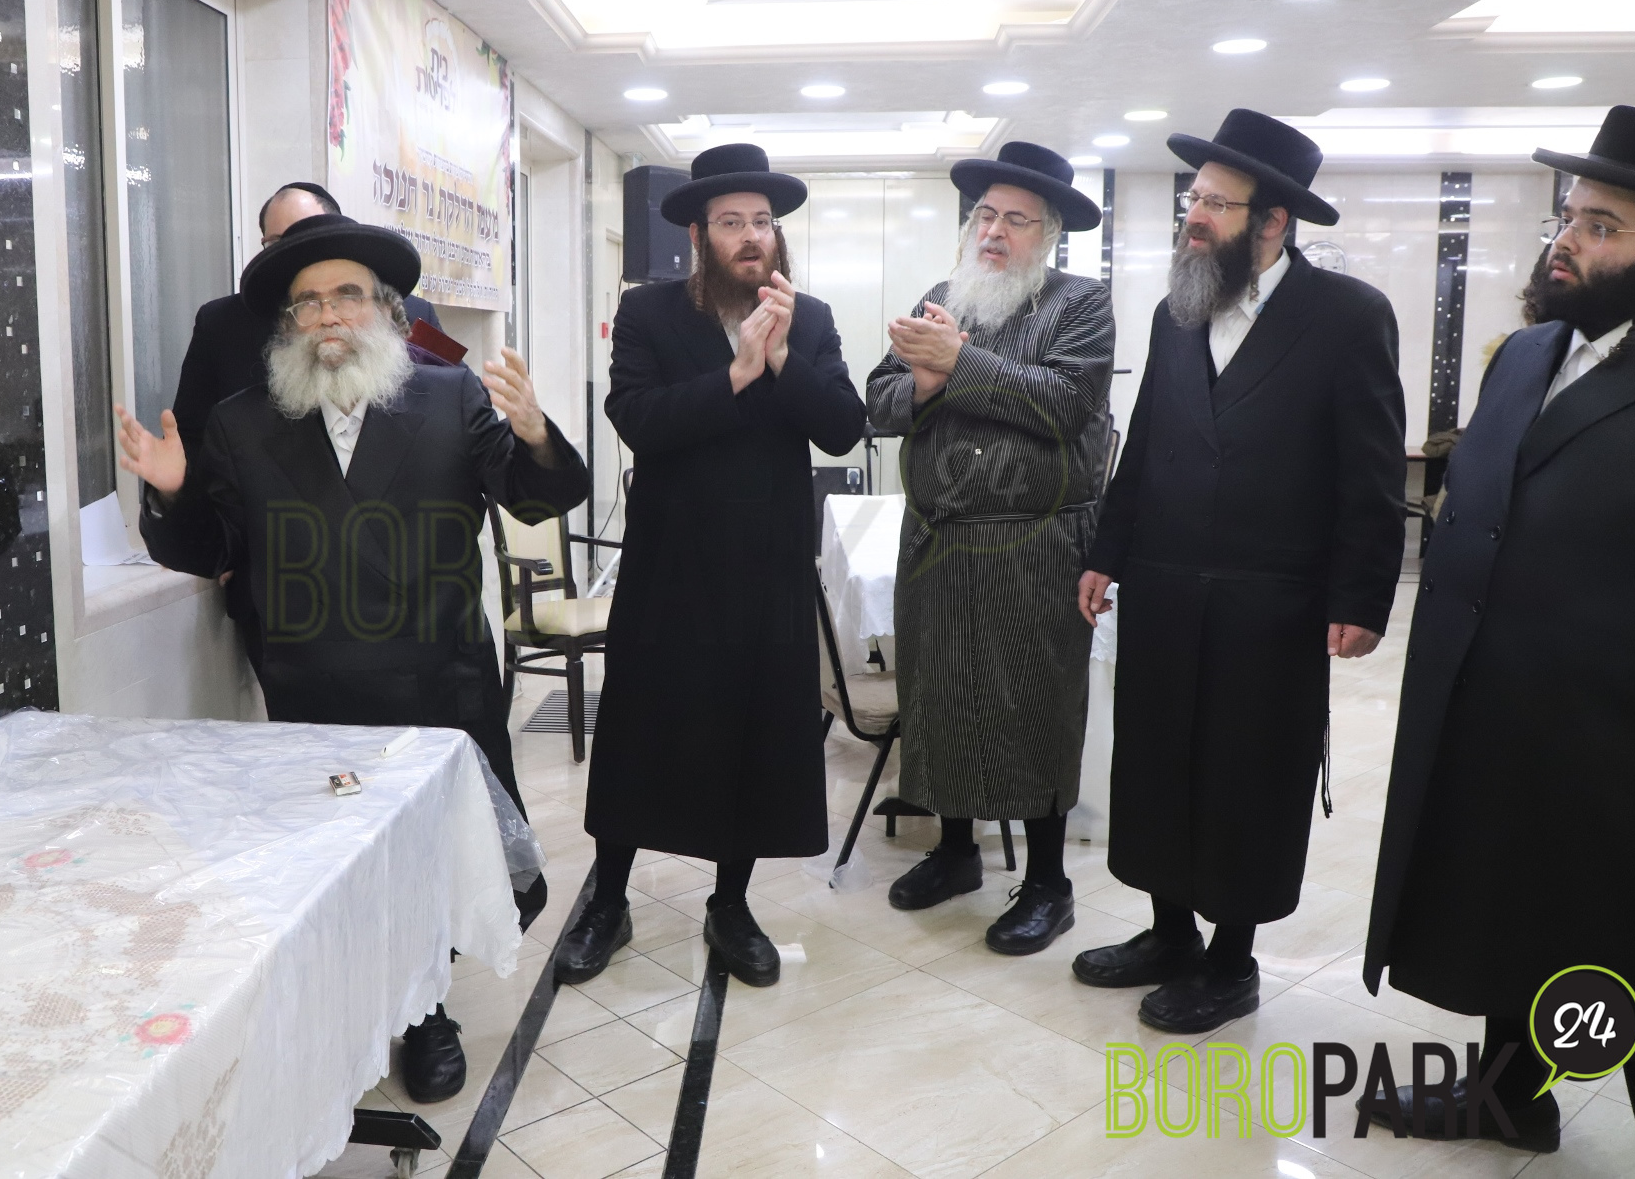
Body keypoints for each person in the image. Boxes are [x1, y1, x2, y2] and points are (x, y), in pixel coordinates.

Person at [118, 213, 588, 1105]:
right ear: (288, 325)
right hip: (312, 697)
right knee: (336, 866)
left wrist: (533, 435)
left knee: (434, 857)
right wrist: (173, 492)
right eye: (306, 302)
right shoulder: (241, 423)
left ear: (385, 309)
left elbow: (537, 490)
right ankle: (360, 1002)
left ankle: (429, 1011)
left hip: (438, 686)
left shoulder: (451, 396)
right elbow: (204, 545)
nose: (326, 316)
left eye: (345, 295)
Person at [1363, 105, 1635, 1167]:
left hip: (1631, 742)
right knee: (1508, 911)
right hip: (1497, 710)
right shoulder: (1525, 353)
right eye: (1568, 217)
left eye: (1601, 225)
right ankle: (1511, 1098)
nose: (1567, 240)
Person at [1075, 109, 1406, 1033]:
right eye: (1194, 199)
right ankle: (1168, 931)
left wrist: (1361, 596)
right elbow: (1142, 445)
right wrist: (1107, 552)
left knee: (1246, 775)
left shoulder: (1347, 316)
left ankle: (1232, 958)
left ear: (1273, 220)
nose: (1195, 216)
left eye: (1216, 203)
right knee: (1159, 763)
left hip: (1275, 602)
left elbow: (1372, 470)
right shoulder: (1176, 306)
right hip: (1167, 587)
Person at [554, 143, 867, 989]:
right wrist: (733, 376)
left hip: (765, 569)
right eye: (731, 222)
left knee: (753, 738)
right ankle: (607, 897)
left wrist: (781, 363)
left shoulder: (812, 317)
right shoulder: (651, 314)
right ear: (700, 234)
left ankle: (730, 904)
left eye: (761, 221)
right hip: (671, 565)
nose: (751, 237)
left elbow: (844, 424)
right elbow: (638, 419)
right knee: (640, 735)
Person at [866, 142, 1114, 956]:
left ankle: (1048, 881)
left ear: (1047, 234)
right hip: (938, 542)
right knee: (939, 700)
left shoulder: (1081, 303)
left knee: (1031, 706)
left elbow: (1064, 402)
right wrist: (927, 382)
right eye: (985, 214)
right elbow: (878, 398)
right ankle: (955, 850)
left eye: (1016, 218)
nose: (995, 230)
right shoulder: (942, 298)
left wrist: (960, 362)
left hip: (1035, 546)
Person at [169, 183, 445, 673]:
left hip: (406, 587)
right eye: (275, 243)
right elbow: (192, 439)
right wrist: (211, 530)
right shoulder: (222, 322)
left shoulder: (411, 312)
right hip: (288, 587)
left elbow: (451, 416)